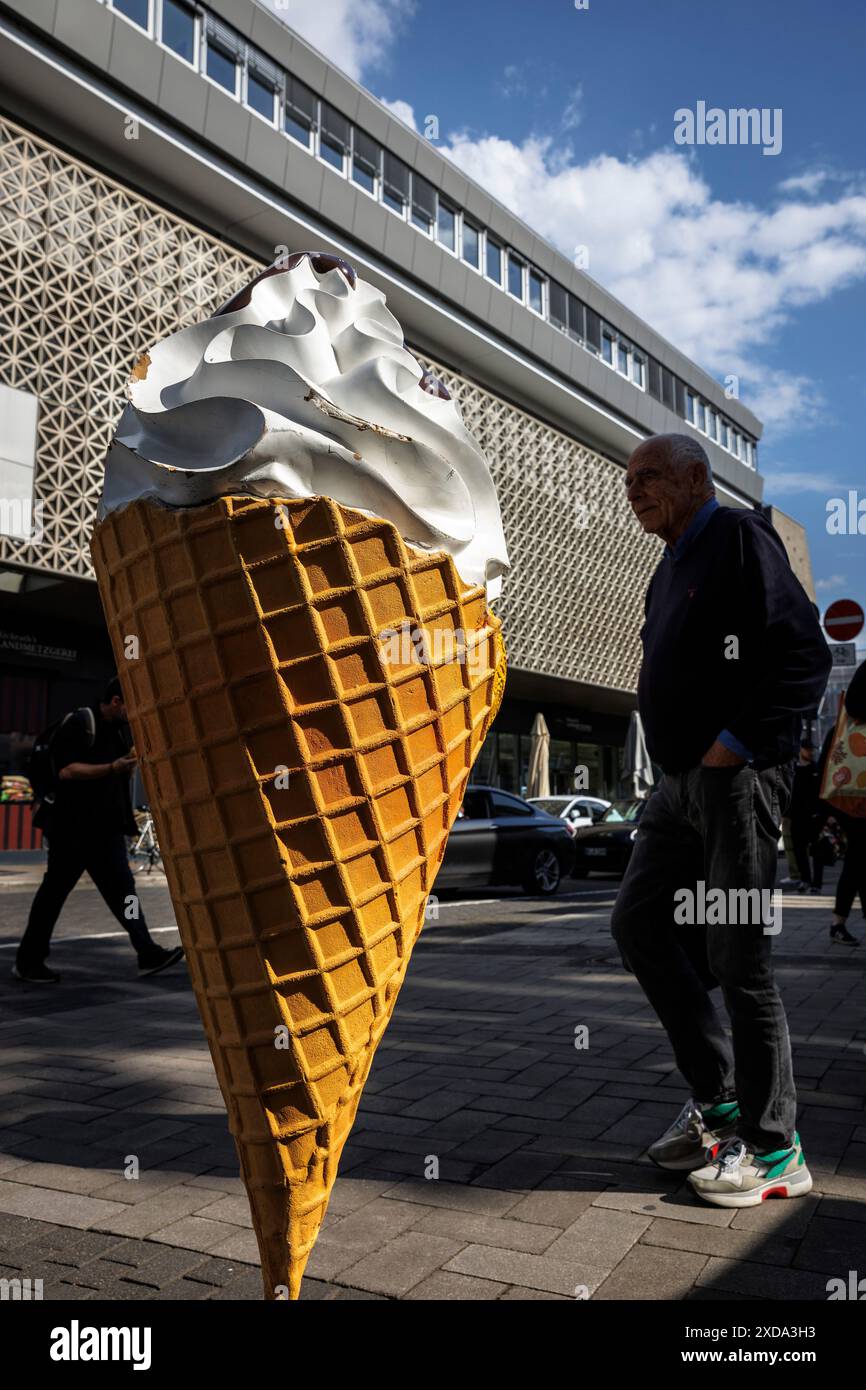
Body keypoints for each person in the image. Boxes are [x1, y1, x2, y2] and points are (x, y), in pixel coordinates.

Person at [611, 434, 831, 1208]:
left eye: (649, 478)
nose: (633, 490)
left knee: (740, 960)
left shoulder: (739, 538)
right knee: (639, 926)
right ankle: (720, 1106)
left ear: (696, 478)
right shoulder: (667, 568)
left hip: (736, 783)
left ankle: (776, 1149)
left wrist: (734, 746)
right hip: (675, 790)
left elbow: (803, 653)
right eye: (628, 480)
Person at [13, 676, 184, 983]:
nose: (135, 713)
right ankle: (28, 961)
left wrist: (125, 768)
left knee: (126, 895)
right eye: (131, 705)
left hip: (106, 831)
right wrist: (112, 768)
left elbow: (114, 776)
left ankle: (146, 951)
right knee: (52, 896)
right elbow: (67, 770)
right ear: (116, 701)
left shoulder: (117, 732)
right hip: (73, 830)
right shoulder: (82, 723)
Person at [816, 659, 866, 946]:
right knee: (859, 857)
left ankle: (838, 922)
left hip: (853, 786)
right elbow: (857, 704)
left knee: (860, 858)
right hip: (857, 787)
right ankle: (838, 923)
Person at [789, 739, 821, 892]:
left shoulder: (816, 769)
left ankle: (816, 883)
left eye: (812, 749)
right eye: (808, 749)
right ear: (800, 750)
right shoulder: (793, 769)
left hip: (814, 816)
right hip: (796, 817)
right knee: (799, 850)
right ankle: (805, 879)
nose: (811, 752)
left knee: (817, 850)